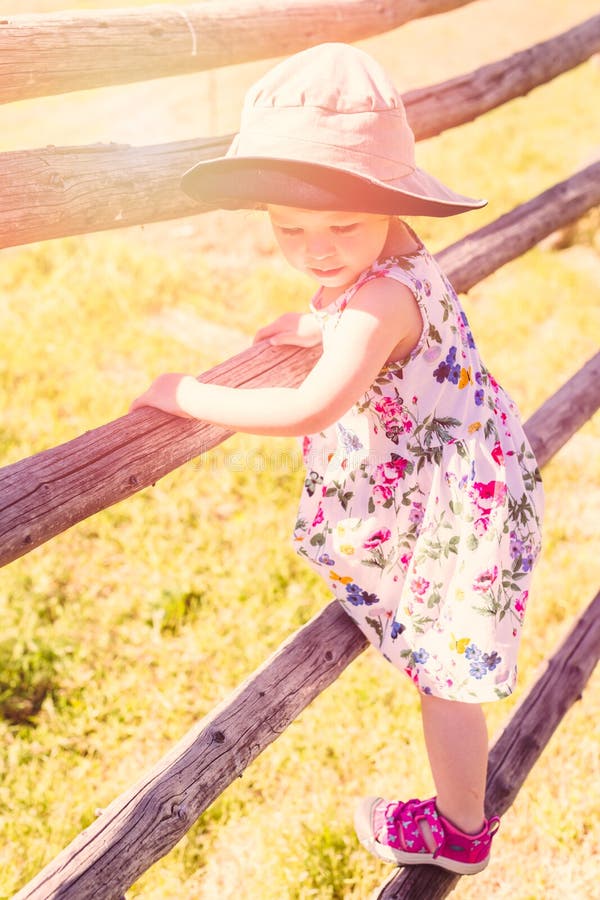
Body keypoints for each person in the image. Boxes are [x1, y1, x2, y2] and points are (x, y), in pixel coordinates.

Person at [130, 43, 544, 875]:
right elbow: (369, 313)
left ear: (383, 202)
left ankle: (461, 826)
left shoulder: (378, 297)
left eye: (338, 227)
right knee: (441, 652)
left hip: (463, 506)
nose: (317, 251)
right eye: (290, 230)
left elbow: (309, 406)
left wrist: (185, 394)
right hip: (470, 477)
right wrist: (320, 323)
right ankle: (458, 807)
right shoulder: (389, 257)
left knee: (444, 668)